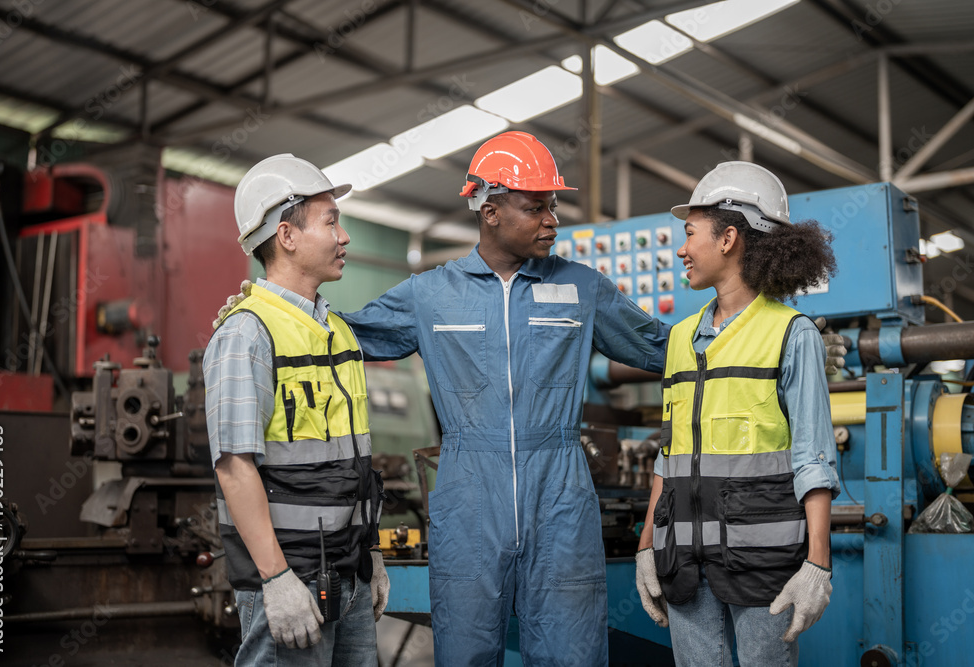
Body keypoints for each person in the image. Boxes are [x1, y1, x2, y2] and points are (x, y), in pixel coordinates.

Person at [213, 138, 846, 666]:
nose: (552, 220)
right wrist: (259, 310)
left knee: (571, 650)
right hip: (467, 495)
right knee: (465, 650)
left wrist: (792, 338)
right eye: (536, 206)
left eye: (553, 206)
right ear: (489, 210)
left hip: (560, 496)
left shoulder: (582, 289)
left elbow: (677, 349)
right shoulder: (430, 296)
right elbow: (341, 333)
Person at [634, 161, 841, 666]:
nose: (681, 249)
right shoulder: (681, 338)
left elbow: (813, 455)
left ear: (728, 238)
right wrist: (646, 545)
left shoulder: (792, 334)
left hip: (764, 564)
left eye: (689, 233)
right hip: (683, 560)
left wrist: (818, 563)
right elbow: (670, 453)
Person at [204, 154, 389, 667]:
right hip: (290, 581)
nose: (344, 236)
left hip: (345, 572)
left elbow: (355, 463)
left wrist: (370, 555)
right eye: (331, 221)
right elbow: (234, 468)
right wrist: (276, 579)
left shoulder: (337, 331)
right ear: (286, 235)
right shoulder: (246, 334)